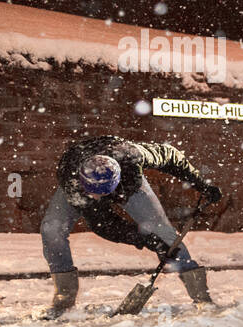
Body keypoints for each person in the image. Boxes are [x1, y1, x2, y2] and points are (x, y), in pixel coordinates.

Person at [42, 135, 223, 315]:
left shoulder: (132, 158)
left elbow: (171, 156)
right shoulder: (73, 181)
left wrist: (200, 184)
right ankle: (64, 298)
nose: (97, 198)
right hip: (80, 181)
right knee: (52, 228)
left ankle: (202, 297)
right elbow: (104, 225)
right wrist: (146, 240)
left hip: (125, 186)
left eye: (102, 193)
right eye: (94, 193)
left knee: (162, 232)